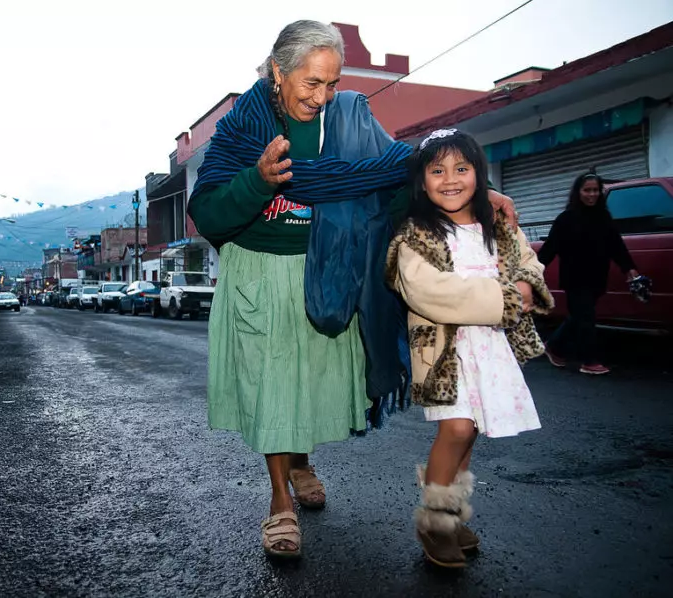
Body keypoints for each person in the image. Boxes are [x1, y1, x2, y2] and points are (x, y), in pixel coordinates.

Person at [188, 20, 519, 560]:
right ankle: (279, 501)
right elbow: (206, 213)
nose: (322, 97)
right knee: (275, 387)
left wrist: (481, 194)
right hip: (262, 273)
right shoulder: (242, 128)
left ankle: (299, 462)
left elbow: (409, 171)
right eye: (311, 83)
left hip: (332, 272)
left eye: (331, 83)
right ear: (278, 70)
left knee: (307, 387)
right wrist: (259, 181)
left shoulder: (349, 116)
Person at [385, 129, 553, 568]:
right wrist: (507, 297)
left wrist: (526, 281)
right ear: (421, 182)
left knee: (472, 430)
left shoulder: (496, 226)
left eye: (462, 168)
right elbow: (429, 292)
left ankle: (453, 513)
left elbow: (528, 262)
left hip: (490, 350)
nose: (450, 179)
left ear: (480, 175)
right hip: (444, 351)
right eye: (437, 170)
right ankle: (434, 523)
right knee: (456, 429)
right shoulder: (415, 235)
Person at [537, 173, 640, 375]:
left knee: (578, 317)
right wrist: (532, 272)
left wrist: (629, 268)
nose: (591, 194)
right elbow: (550, 248)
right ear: (578, 192)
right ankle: (589, 361)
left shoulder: (604, 217)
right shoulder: (566, 219)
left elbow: (616, 246)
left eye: (595, 190)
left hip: (597, 278)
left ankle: (554, 347)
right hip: (575, 278)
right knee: (586, 318)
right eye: (587, 190)